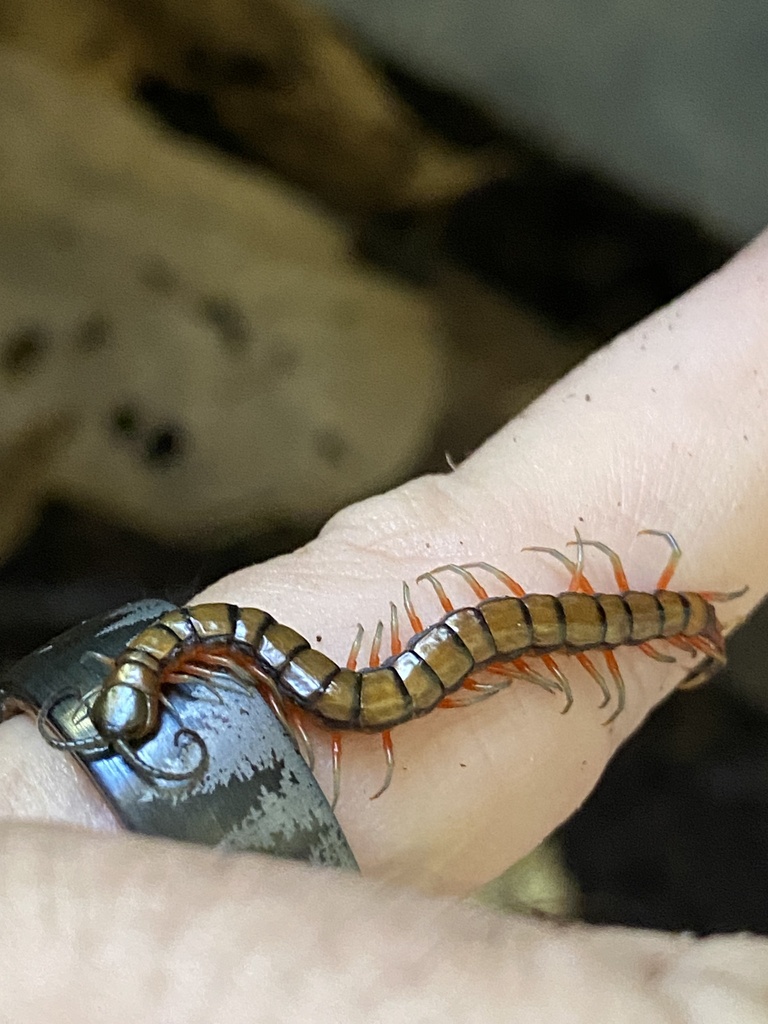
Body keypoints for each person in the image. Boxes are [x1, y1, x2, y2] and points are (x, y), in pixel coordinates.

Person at [2, 228, 768, 1021]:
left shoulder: (210, 656)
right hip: (369, 693)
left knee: (533, 629)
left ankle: (676, 617)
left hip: (531, 641)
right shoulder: (250, 670)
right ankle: (677, 618)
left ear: (157, 678)